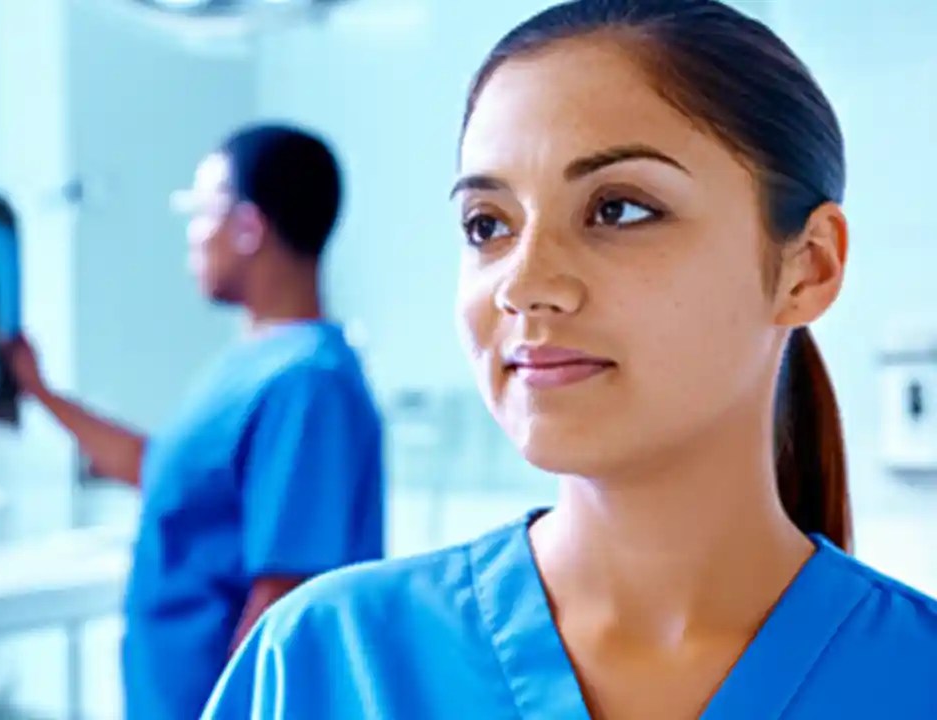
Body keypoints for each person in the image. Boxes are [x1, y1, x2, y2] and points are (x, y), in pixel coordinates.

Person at [203, 2, 937, 718]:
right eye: (486, 225)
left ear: (807, 269)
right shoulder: (330, 662)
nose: (523, 285)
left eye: (618, 209)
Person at [2, 123, 384, 720]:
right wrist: (41, 394)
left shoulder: (307, 384)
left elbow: (284, 596)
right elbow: (159, 472)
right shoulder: (249, 368)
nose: (192, 235)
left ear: (248, 227)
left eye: (201, 211)